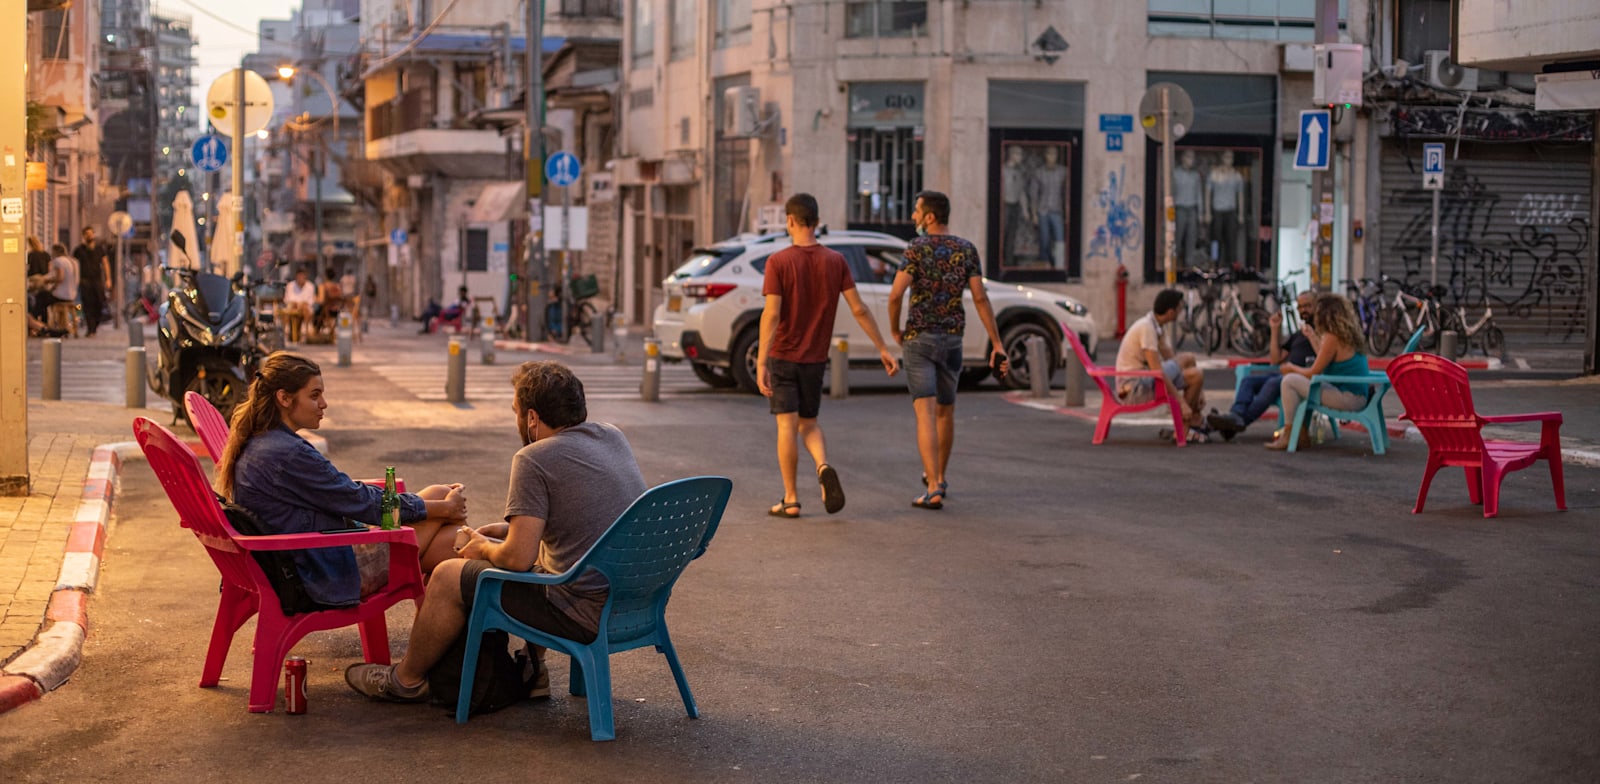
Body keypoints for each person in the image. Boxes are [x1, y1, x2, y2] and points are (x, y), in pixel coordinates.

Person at [344, 361, 647, 703]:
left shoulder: (535, 458)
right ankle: (534, 669)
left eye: (515, 411)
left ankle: (405, 680)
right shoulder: (612, 436)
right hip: (635, 602)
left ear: (531, 418)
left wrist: (484, 548)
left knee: (447, 575)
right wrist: (514, 529)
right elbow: (588, 518)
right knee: (537, 552)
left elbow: (517, 560)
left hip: (581, 612)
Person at [214, 352, 470, 608]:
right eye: (314, 395)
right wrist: (444, 509)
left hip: (304, 558)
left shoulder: (262, 440)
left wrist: (438, 507)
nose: (323, 404)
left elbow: (348, 495)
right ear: (284, 398)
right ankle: (443, 621)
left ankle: (436, 622)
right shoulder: (288, 454)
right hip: (323, 573)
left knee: (441, 506)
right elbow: (359, 502)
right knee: (456, 538)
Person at [756, 193, 897, 518]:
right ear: (817, 222)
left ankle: (791, 499)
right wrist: (883, 348)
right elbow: (859, 308)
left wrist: (762, 361)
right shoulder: (836, 261)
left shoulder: (778, 262)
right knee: (809, 423)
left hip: (784, 355)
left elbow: (772, 314)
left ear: (790, 221)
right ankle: (823, 466)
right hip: (815, 358)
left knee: (787, 426)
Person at [887, 190, 1007, 510]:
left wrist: (895, 329)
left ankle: (933, 487)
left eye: (917, 211)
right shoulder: (966, 249)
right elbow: (980, 297)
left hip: (919, 338)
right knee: (946, 411)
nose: (913, 217)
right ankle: (939, 476)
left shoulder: (915, 249)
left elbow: (895, 295)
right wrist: (996, 343)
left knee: (925, 413)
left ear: (929, 217)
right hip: (953, 339)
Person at [1268, 293, 1372, 451]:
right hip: (1357, 396)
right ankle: (1300, 434)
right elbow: (1323, 357)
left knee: (1289, 381)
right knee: (1297, 383)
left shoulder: (1332, 337)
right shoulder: (1345, 335)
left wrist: (1291, 368)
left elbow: (1314, 372)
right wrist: (1311, 336)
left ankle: (1290, 434)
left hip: (1347, 398)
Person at [1207, 291, 1318, 437]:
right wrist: (1274, 329)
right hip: (1284, 375)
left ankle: (1236, 422)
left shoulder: (1322, 333)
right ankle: (1235, 416)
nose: (1303, 310)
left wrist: (1312, 336)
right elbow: (1276, 359)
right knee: (1248, 381)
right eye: (1300, 307)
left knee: (1272, 383)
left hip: (1300, 379)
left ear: (1317, 307)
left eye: (1308, 306)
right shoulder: (1299, 334)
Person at [1114, 288, 1208, 441]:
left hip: (1145, 379)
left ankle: (1192, 421)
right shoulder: (1147, 328)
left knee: (1195, 372)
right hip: (1134, 388)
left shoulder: (1157, 326)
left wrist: (1199, 393)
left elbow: (1170, 357)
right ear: (1171, 312)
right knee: (1193, 370)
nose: (1180, 313)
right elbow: (1157, 371)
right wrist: (1181, 402)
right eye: (1179, 309)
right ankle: (1186, 427)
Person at [1029, 146, 1069, 267]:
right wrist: (1034, 214)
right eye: (1049, 154)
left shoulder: (1063, 171)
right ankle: (1045, 265)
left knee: (1059, 239)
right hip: (1043, 210)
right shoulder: (1039, 172)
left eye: (1054, 154)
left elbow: (1067, 192)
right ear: (1045, 155)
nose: (1051, 157)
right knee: (1044, 239)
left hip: (1057, 210)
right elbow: (1034, 194)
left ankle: (1059, 266)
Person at [1206, 150, 1245, 266]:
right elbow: (1208, 193)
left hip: (1231, 211)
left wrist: (1241, 213)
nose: (1229, 160)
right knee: (1215, 239)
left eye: (1231, 157)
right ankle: (1214, 262)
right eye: (1227, 157)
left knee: (1231, 240)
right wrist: (1207, 212)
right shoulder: (1214, 174)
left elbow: (1240, 195)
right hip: (1217, 210)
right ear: (1222, 158)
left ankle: (1230, 265)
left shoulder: (1237, 176)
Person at [72, 227, 112, 337]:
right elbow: (75, 265)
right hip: (84, 280)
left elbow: (105, 263)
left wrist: (108, 279)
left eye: (91, 233)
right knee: (87, 305)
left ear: (93, 234)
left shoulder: (99, 249)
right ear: (83, 236)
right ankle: (90, 329)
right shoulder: (79, 250)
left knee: (99, 303)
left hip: (97, 280)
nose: (89, 236)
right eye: (87, 234)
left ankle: (95, 325)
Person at [1000, 145, 1030, 266]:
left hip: (1015, 205)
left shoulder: (1020, 172)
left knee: (1012, 234)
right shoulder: (1003, 170)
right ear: (1012, 155)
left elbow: (1022, 192)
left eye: (1021, 154)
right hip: (1005, 205)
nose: (1020, 157)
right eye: (1018, 154)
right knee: (1003, 232)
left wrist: (1025, 209)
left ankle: (1009, 260)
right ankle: (1000, 259)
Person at [1173, 151, 1203, 266]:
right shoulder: (1176, 174)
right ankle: (1174, 263)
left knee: (1192, 238)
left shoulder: (1195, 176)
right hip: (1180, 208)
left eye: (1193, 158)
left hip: (1192, 209)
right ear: (1183, 158)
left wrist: (1200, 213)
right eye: (1189, 157)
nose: (1191, 160)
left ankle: (1189, 264)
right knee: (1178, 237)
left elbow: (1199, 194)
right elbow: (1172, 193)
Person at [281, 268, 317, 342]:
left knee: (305, 308)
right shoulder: (290, 285)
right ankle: (286, 331)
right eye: (299, 276)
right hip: (293, 307)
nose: (301, 278)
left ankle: (306, 331)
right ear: (296, 276)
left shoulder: (310, 286)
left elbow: (310, 301)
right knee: (289, 308)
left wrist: (301, 304)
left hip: (305, 308)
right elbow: (288, 299)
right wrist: (297, 304)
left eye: (302, 276)